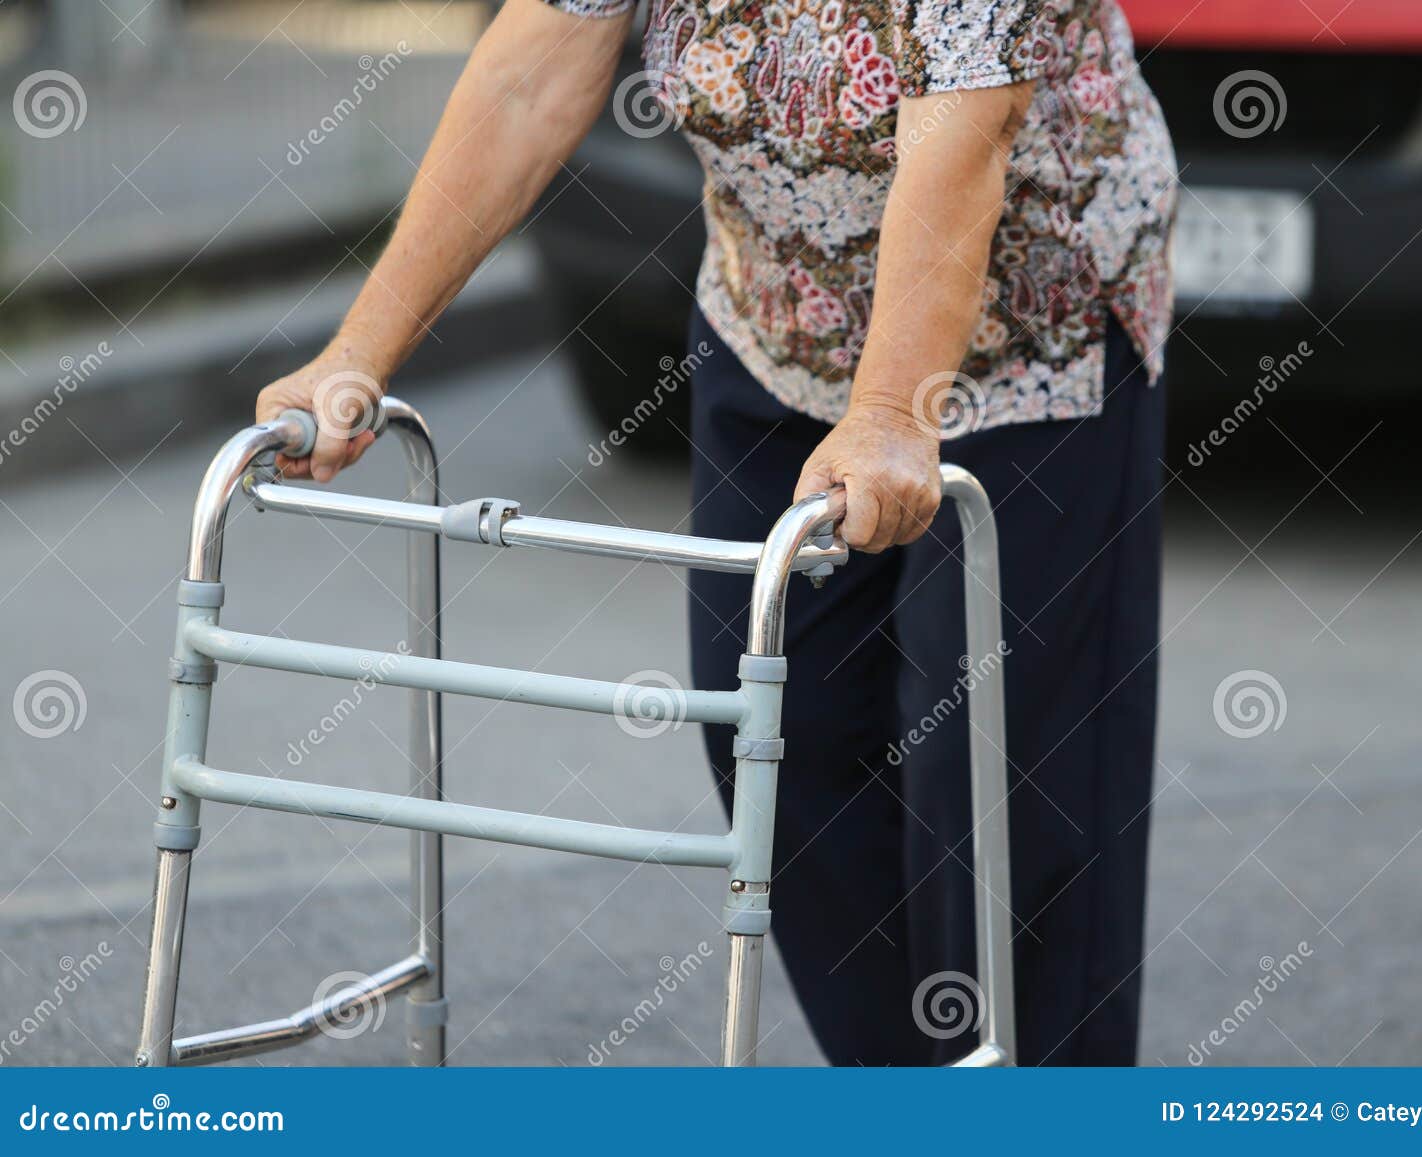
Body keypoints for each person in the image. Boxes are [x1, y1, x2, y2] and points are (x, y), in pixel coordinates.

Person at [256, 0, 1175, 1065]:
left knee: (1003, 786)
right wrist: (358, 354)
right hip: (775, 320)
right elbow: (528, 77)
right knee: (779, 738)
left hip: (1031, 343)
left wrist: (890, 410)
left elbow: (963, 133)